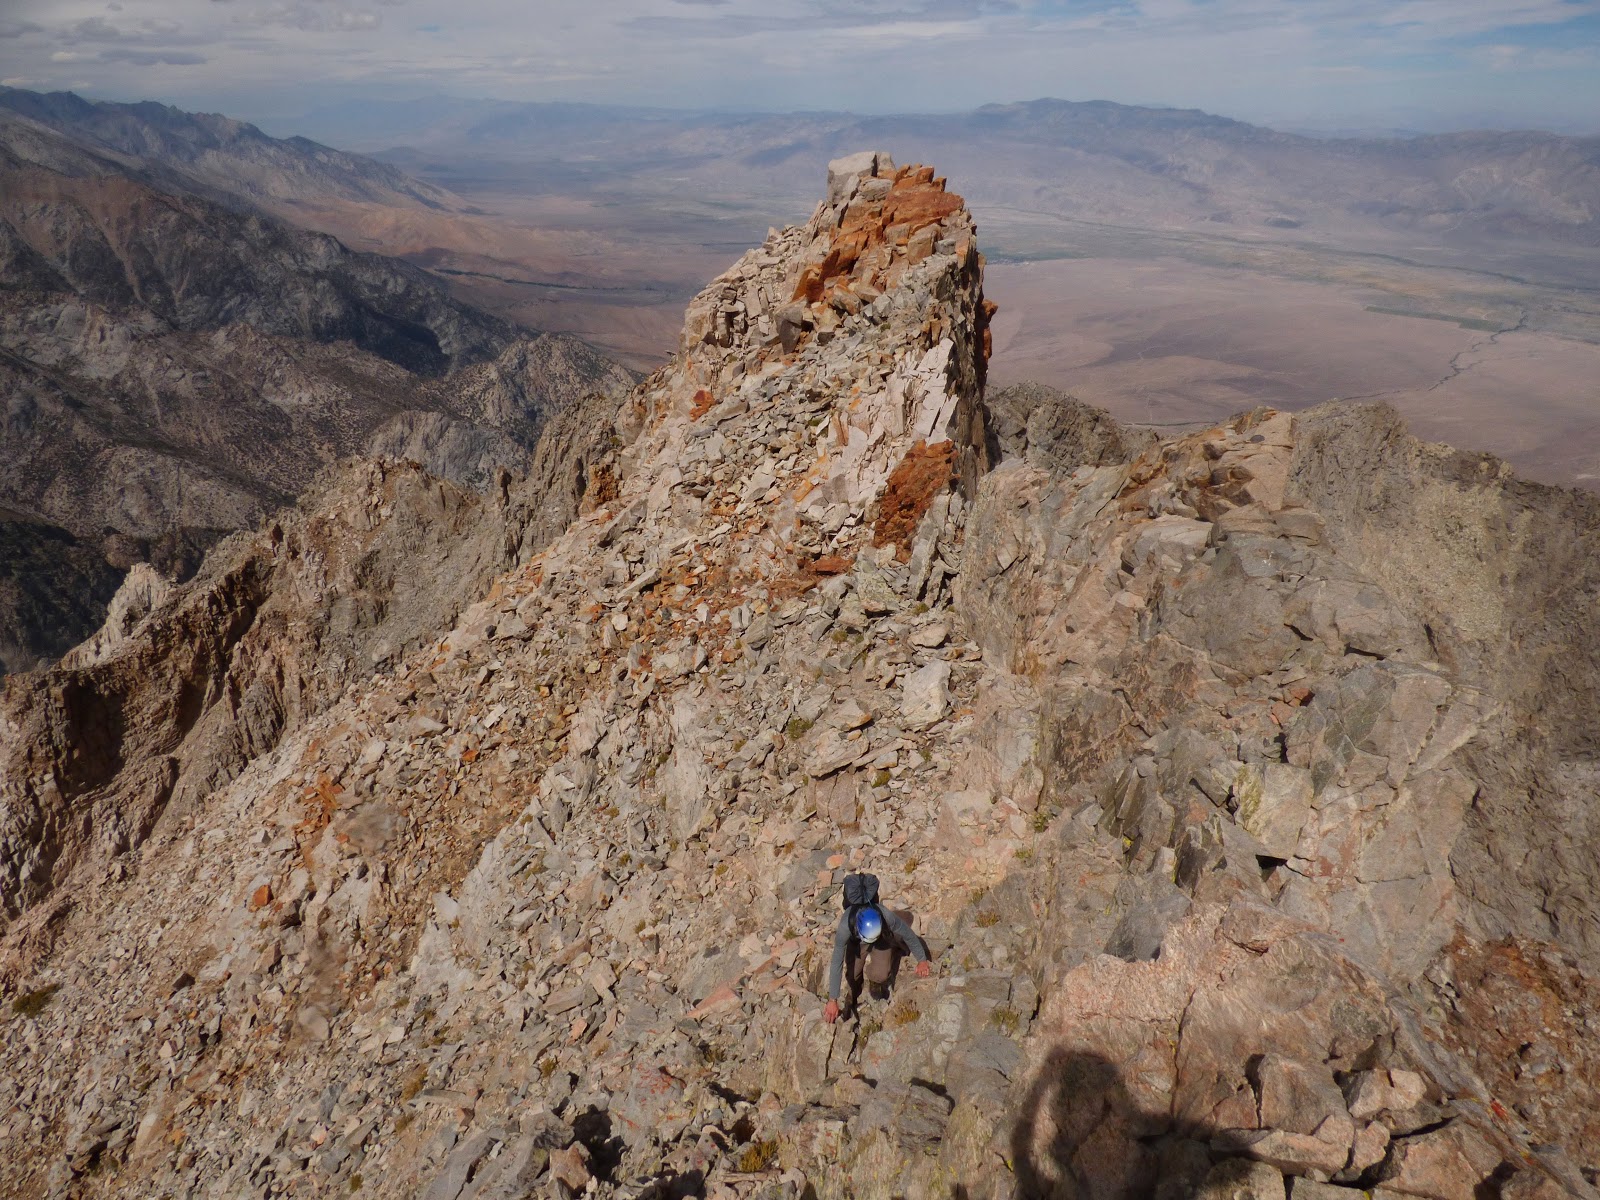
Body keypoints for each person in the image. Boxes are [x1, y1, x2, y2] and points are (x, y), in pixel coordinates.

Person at [824, 876, 931, 1023]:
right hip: (857, 943)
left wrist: (922, 960)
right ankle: (856, 989)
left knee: (880, 975)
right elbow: (837, 961)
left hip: (882, 938)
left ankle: (890, 955)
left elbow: (908, 934)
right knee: (852, 975)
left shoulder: (886, 917)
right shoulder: (845, 927)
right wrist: (832, 999)